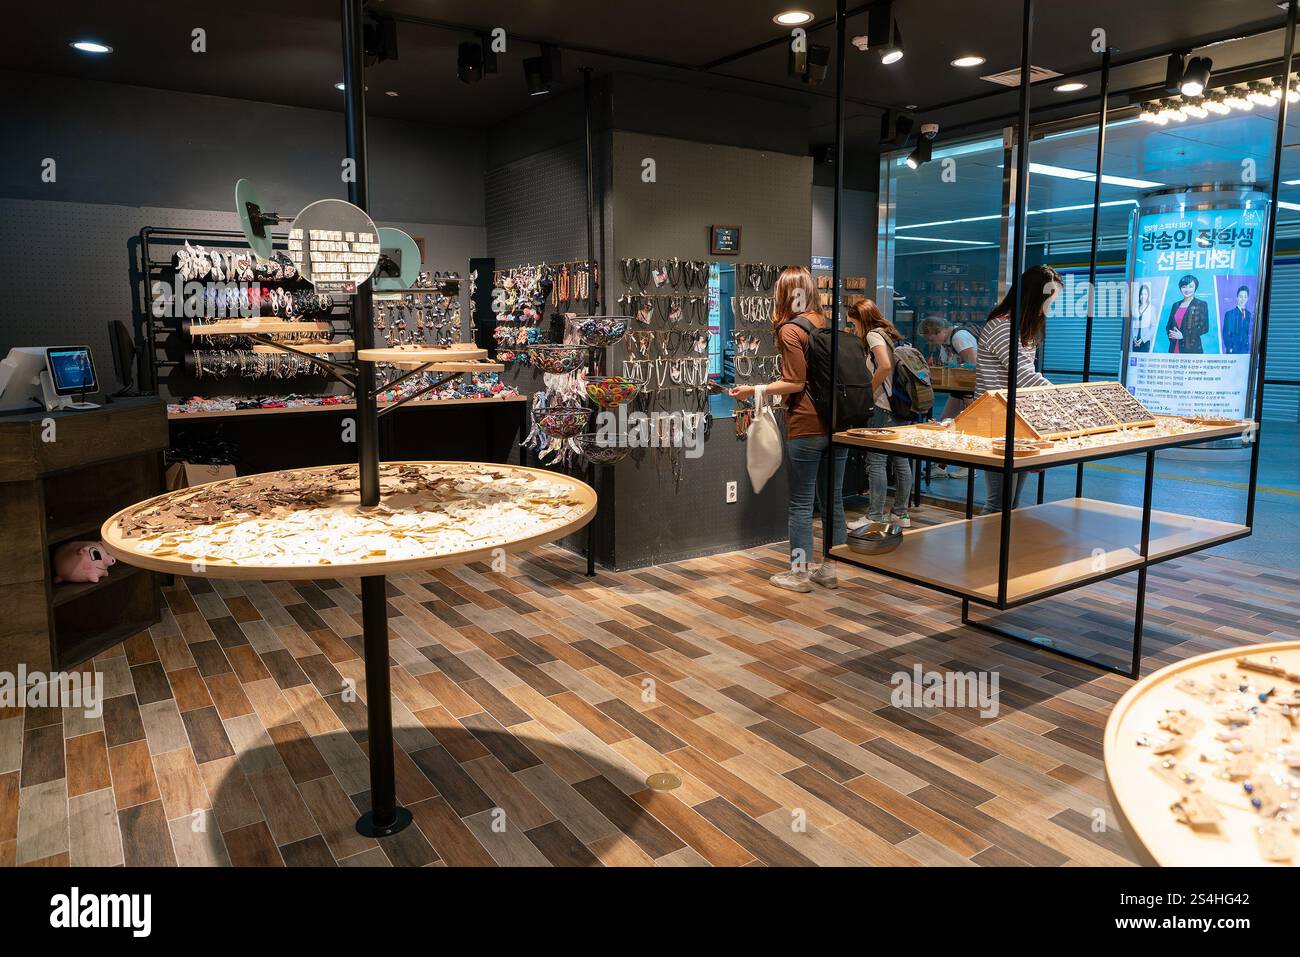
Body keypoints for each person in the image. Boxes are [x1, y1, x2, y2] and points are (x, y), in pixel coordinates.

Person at [729, 266, 846, 592]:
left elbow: (795, 382)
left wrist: (754, 390)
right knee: (833, 500)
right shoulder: (828, 326)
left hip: (807, 425)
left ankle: (798, 573)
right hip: (837, 424)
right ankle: (830, 569)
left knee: (800, 503)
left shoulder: (791, 331)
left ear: (784, 293)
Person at [977, 264, 1060, 512]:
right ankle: (986, 551)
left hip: (1015, 421)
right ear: (1035, 298)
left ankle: (999, 549)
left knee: (1010, 503)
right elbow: (1023, 375)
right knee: (998, 503)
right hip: (997, 421)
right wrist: (1062, 397)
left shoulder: (1020, 327)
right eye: (1050, 301)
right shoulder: (1003, 327)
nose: (1050, 308)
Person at [847, 300, 913, 528]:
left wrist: (868, 392)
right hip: (901, 406)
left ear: (862, 320)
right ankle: (901, 514)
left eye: (854, 324)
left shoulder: (874, 336)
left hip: (884, 406)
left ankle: (875, 514)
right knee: (901, 460)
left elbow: (884, 366)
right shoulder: (890, 333)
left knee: (876, 461)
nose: (854, 330)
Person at [920, 316, 978, 478]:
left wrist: (968, 394)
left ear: (940, 331)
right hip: (959, 388)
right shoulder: (947, 342)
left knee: (965, 428)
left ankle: (968, 467)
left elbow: (972, 366)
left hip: (967, 390)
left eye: (931, 337)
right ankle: (941, 465)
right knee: (946, 423)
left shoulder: (958, 337)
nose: (931, 341)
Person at [1164, 274, 1210, 354]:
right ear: (1180, 288)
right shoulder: (1176, 305)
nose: (1187, 289)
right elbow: (1169, 325)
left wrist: (1183, 336)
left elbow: (1204, 328)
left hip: (1191, 348)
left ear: (1195, 287)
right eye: (1184, 286)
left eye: (1190, 286)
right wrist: (1172, 335)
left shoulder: (1201, 304)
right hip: (1174, 347)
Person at [1222, 284, 1253, 355]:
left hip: (1245, 350)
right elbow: (1225, 333)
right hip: (1233, 350)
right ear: (1237, 297)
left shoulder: (1249, 314)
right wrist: (1230, 348)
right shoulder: (1229, 314)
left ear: (1247, 298)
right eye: (1240, 296)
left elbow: (1249, 332)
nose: (1243, 299)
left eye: (1245, 297)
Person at [1130, 283, 1155, 353]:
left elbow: (1153, 327)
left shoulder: (1151, 309)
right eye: (1141, 294)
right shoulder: (1135, 308)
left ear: (1148, 295)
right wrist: (1134, 337)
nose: (1143, 296)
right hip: (1135, 341)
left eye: (1145, 294)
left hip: (1145, 341)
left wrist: (1142, 339)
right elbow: (1133, 325)